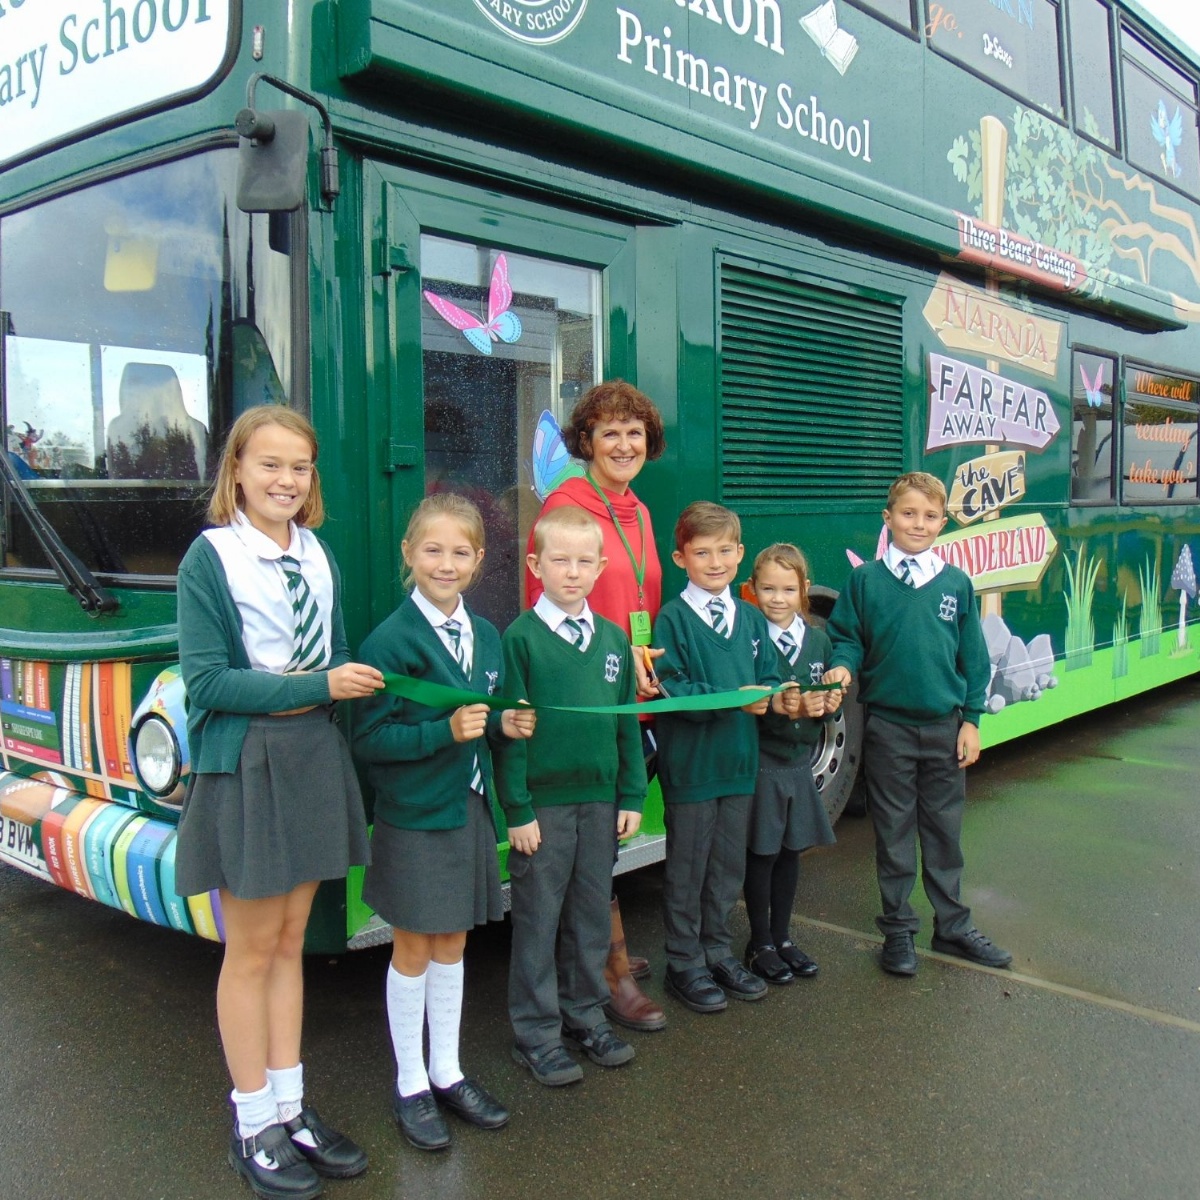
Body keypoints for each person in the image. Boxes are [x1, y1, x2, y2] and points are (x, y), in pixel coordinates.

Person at [174, 405, 380, 1200]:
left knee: (292, 941)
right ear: (236, 471)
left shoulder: (316, 552)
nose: (286, 481)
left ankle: (292, 1108)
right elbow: (208, 683)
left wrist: (351, 674)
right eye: (270, 465)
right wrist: (319, 685)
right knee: (251, 949)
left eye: (300, 467)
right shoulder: (212, 557)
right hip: (251, 761)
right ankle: (252, 1118)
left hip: (311, 755)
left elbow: (330, 655)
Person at [352, 493, 536, 1151]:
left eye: (461, 551)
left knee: (454, 944)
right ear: (408, 554)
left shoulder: (486, 635)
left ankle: (448, 1070)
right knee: (414, 947)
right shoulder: (390, 641)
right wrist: (442, 732)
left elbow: (490, 717)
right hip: (415, 818)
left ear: (480, 559)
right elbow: (369, 740)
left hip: (467, 813)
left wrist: (507, 723)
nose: (446, 563)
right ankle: (410, 1084)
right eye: (433, 549)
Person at [823, 472, 1013, 977]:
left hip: (945, 728)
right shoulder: (866, 582)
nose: (918, 524)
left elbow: (974, 660)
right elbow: (846, 636)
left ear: (943, 522)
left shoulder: (955, 583)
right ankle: (899, 930)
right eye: (908, 514)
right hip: (888, 728)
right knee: (894, 832)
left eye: (930, 516)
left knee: (945, 831)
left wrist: (971, 720)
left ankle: (951, 925)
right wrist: (843, 664)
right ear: (888, 520)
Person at [526, 379, 667, 1033]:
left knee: (604, 846)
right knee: (586, 850)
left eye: (633, 432)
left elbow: (639, 597)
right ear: (585, 441)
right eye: (608, 432)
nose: (622, 443)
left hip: (629, 695)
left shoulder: (638, 511)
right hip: (582, 706)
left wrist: (642, 657)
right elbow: (543, 609)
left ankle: (599, 959)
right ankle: (608, 973)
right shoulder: (567, 504)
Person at [498, 506, 648, 1086]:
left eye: (585, 562)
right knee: (538, 919)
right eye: (559, 560)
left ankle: (584, 1014)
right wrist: (519, 809)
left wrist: (630, 795)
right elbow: (510, 733)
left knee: (590, 914)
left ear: (602, 567)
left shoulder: (612, 640)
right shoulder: (520, 641)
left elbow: (626, 724)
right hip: (545, 810)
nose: (572, 572)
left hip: (601, 802)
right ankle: (536, 1033)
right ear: (536, 565)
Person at [652, 501, 784, 1013]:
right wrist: (735, 697)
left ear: (740, 554)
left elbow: (770, 675)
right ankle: (683, 962)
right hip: (692, 767)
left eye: (724, 551)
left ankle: (717, 951)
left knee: (727, 866)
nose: (714, 562)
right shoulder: (672, 620)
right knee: (687, 868)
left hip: (738, 766)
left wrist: (775, 694)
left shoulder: (750, 618)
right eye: (701, 552)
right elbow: (672, 687)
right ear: (680, 558)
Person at [743, 543, 841, 985]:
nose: (777, 598)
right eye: (767, 588)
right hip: (765, 762)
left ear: (804, 592)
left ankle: (783, 937)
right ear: (752, 590)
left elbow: (822, 698)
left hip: (799, 763)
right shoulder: (748, 636)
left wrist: (829, 701)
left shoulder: (818, 640)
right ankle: (759, 941)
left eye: (787, 589)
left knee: (790, 851)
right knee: (761, 853)